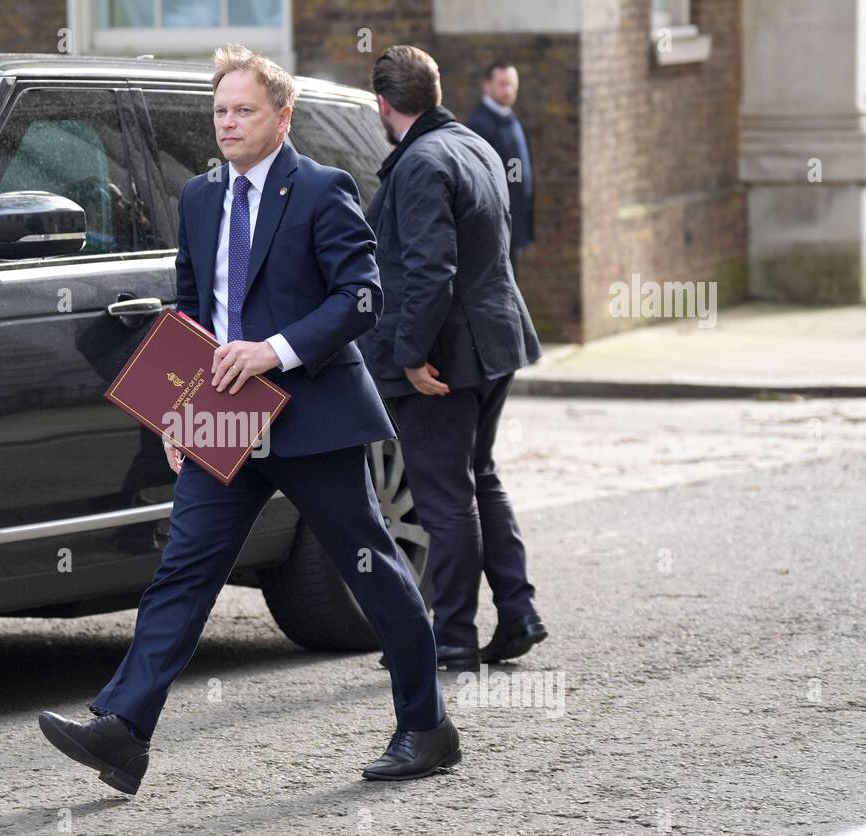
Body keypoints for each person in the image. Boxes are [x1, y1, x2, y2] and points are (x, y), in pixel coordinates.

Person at [37, 43, 460, 796]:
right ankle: (125, 732)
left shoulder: (324, 189)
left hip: (312, 416)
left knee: (370, 567)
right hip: (220, 417)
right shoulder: (200, 197)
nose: (227, 124)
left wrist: (274, 350)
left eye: (243, 111)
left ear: (281, 116)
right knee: (184, 570)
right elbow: (192, 310)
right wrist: (176, 409)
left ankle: (426, 727)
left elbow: (362, 298)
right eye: (220, 111)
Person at [360, 45, 548, 673]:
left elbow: (429, 271)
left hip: (446, 357)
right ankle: (518, 612)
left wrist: (411, 357)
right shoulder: (475, 144)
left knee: (444, 495)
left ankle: (455, 638)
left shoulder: (420, 164)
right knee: (480, 477)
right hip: (496, 342)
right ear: (434, 91)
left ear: (384, 105)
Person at [466, 60, 535, 277]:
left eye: (512, 84)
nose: (508, 90)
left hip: (514, 220)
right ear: (486, 86)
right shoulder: (479, 125)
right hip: (496, 226)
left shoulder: (511, 120)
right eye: (502, 83)